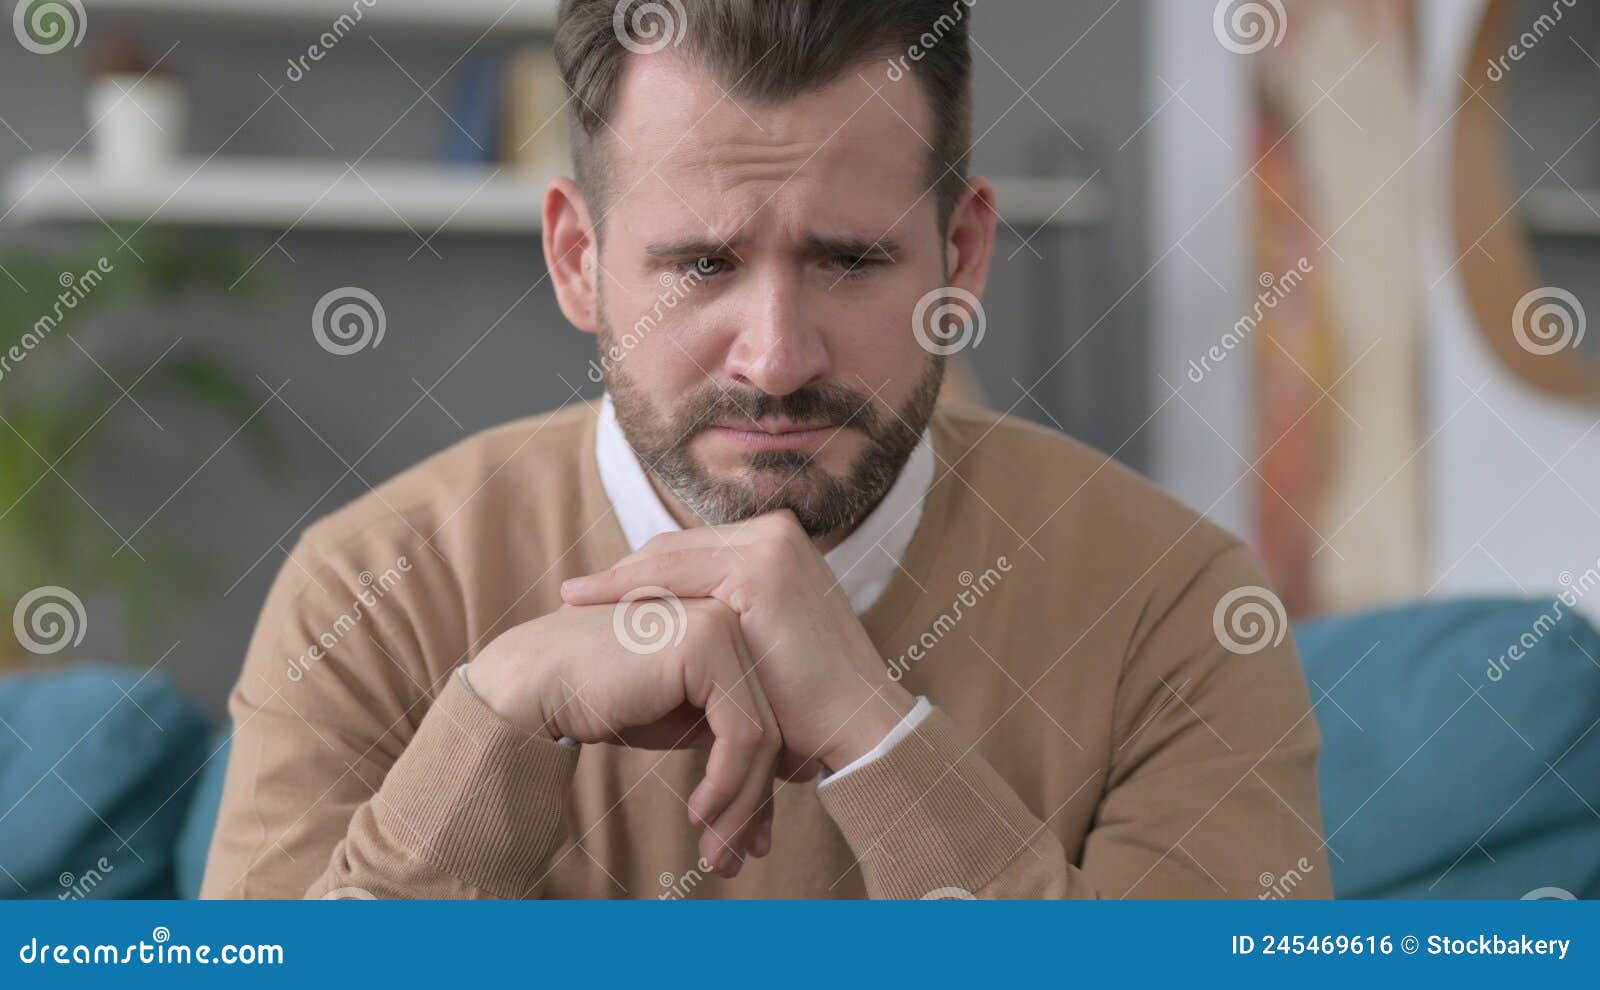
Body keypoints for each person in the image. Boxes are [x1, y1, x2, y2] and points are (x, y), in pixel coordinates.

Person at [202, 0, 1331, 900]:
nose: (779, 358)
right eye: (701, 266)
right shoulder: (371, 590)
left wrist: (878, 736)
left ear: (964, 255)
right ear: (576, 259)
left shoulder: (1175, 608)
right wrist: (496, 723)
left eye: (847, 261)